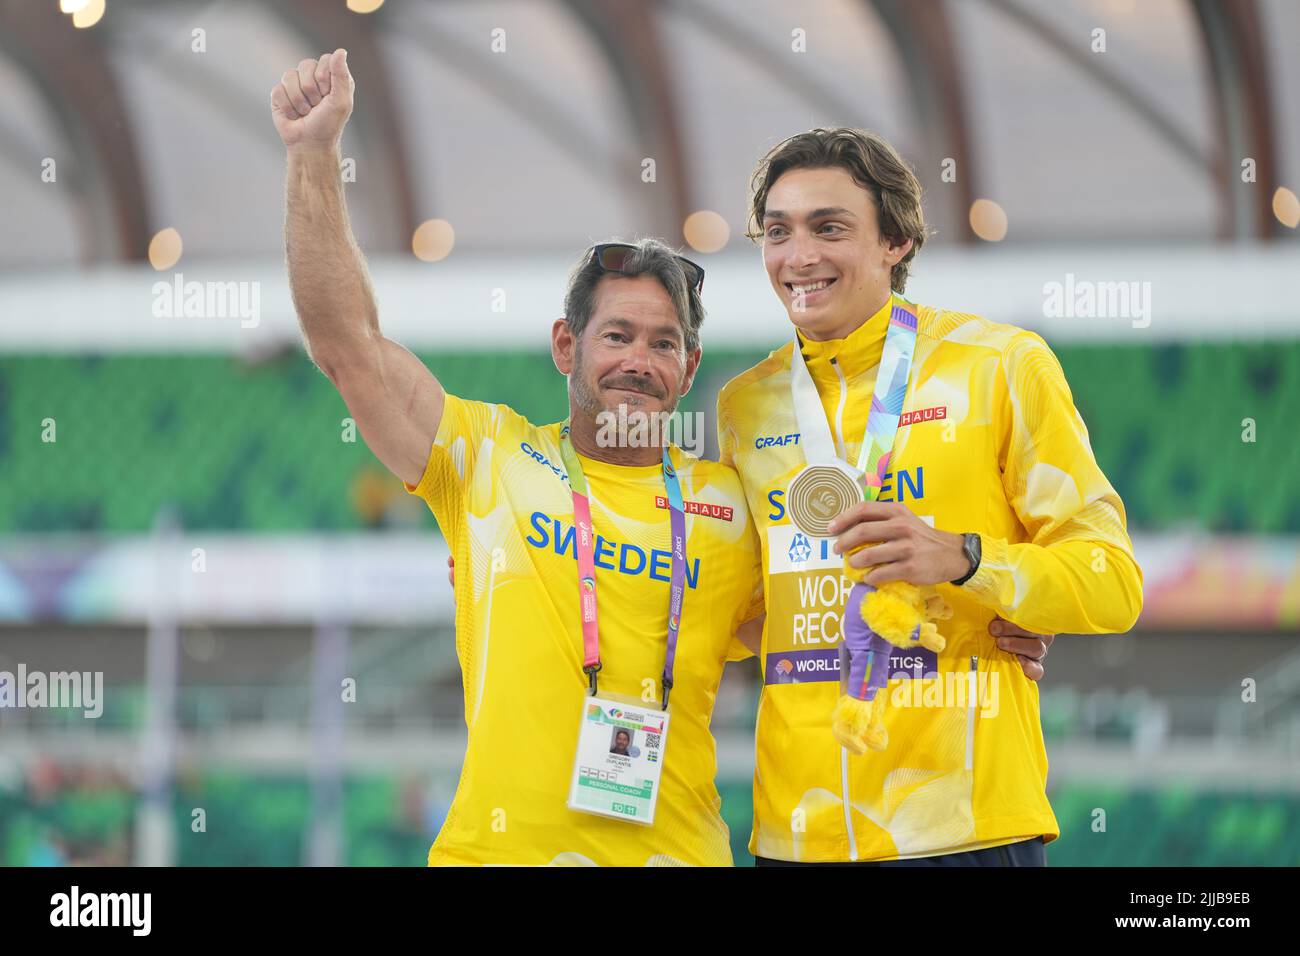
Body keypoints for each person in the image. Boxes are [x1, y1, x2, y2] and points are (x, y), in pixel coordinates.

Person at [272, 49, 766, 866]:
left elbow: (833, 631)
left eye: (664, 342)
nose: (639, 359)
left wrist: (989, 604)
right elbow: (346, 345)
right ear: (566, 346)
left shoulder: (733, 506)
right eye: (617, 336)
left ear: (688, 368)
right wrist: (312, 154)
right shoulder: (486, 456)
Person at [717, 128, 1143, 866]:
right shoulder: (743, 407)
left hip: (963, 826)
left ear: (898, 241)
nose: (798, 256)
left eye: (830, 227)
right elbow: (735, 609)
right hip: (797, 831)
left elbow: (1112, 580)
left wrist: (969, 562)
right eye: (777, 231)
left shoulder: (999, 367)